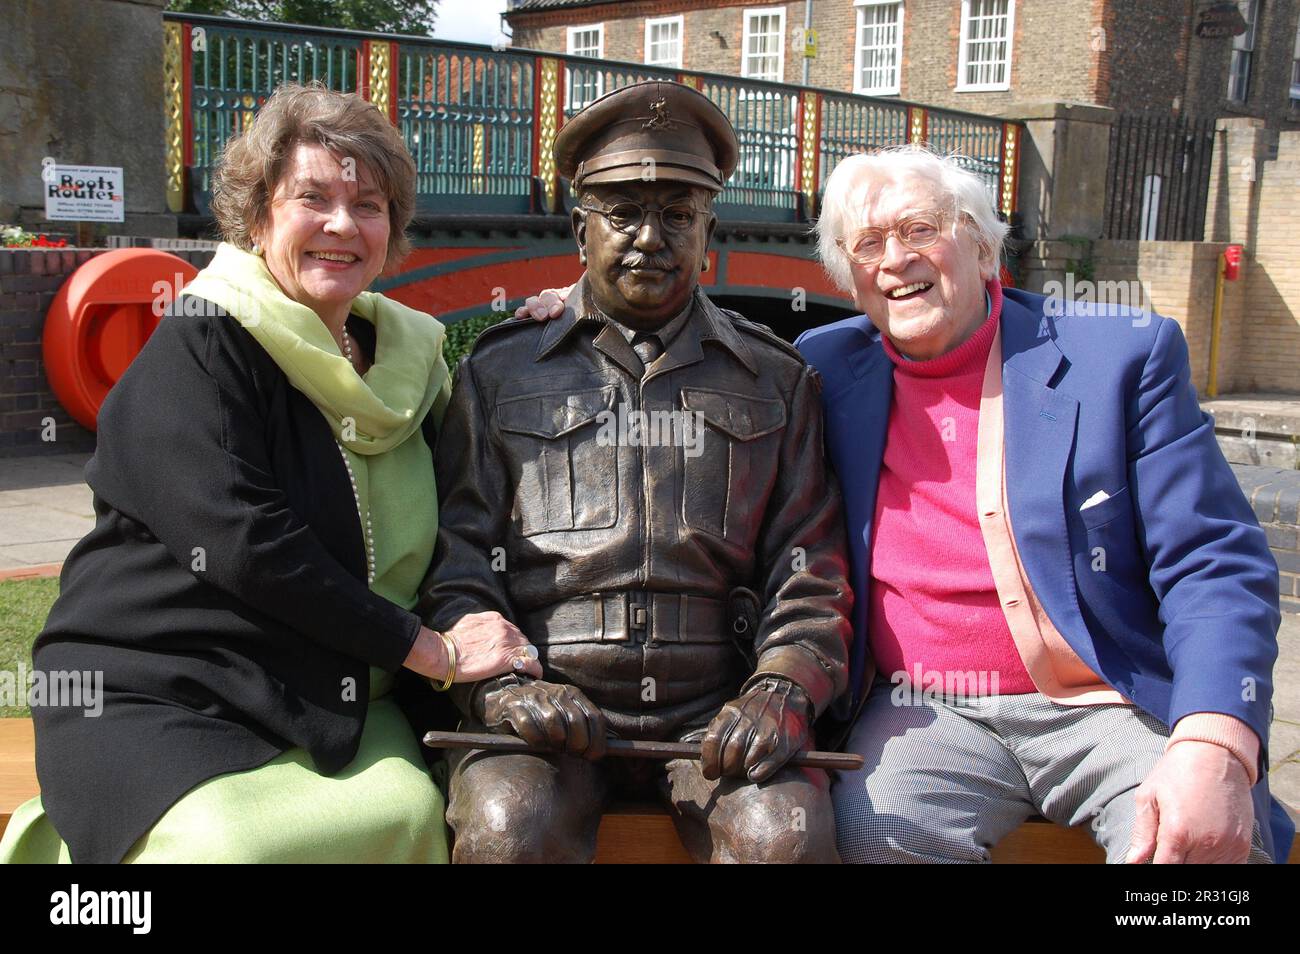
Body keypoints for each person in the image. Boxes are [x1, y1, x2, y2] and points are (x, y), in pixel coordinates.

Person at [0, 83, 541, 865]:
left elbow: (477, 490)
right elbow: (247, 544)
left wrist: (564, 323)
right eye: (311, 198)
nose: (341, 225)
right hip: (163, 686)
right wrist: (431, 650)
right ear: (257, 218)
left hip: (341, 685)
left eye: (369, 204)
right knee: (238, 848)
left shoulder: (413, 359)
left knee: (413, 814)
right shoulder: (201, 344)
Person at [795, 145, 1290, 863]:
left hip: (1105, 696)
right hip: (924, 711)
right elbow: (714, 362)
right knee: (878, 832)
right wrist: (570, 314)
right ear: (850, 276)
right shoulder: (825, 366)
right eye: (867, 244)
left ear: (980, 243)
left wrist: (1215, 737)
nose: (894, 259)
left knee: (1196, 846)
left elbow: (1213, 560)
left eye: (920, 229)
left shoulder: (1119, 356)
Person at [420, 80, 853, 863]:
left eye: (677, 215)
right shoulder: (497, 372)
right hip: (547, 711)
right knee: (505, 828)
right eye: (623, 213)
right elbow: (456, 563)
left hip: (713, 710)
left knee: (781, 838)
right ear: (579, 227)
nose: (650, 237)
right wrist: (502, 688)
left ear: (708, 228)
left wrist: (781, 688)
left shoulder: (776, 379)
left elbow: (810, 571)